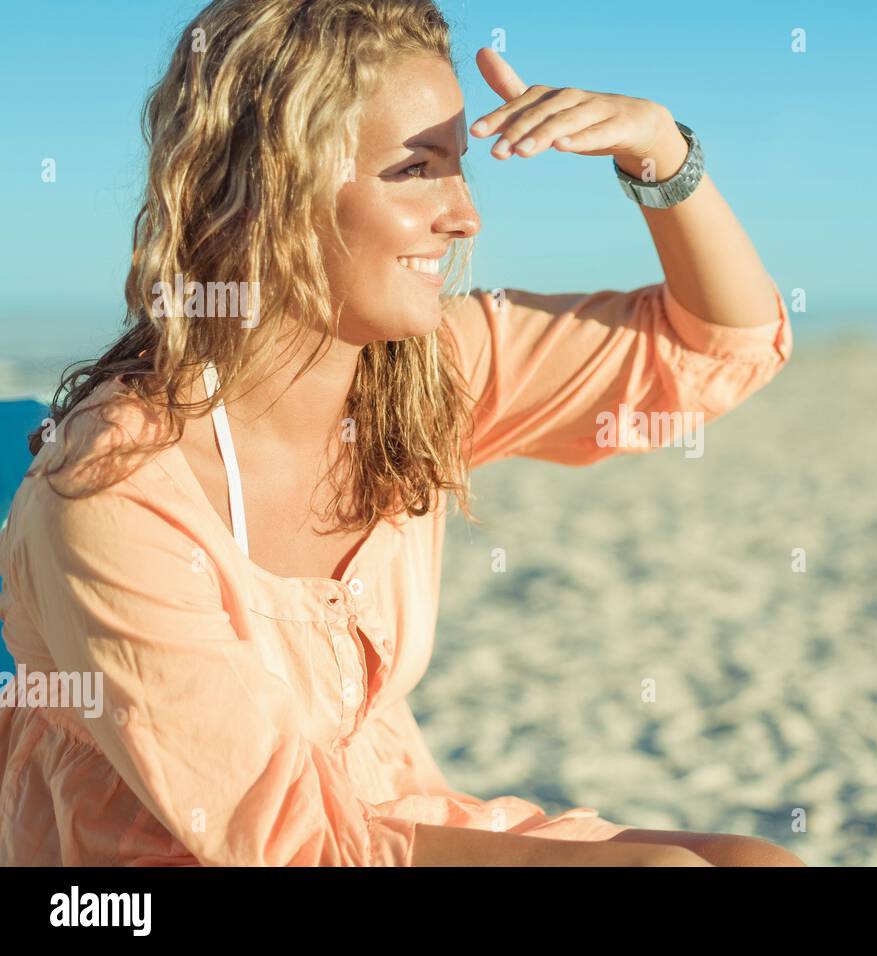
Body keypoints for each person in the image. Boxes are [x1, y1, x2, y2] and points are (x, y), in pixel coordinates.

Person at [0, 0, 799, 867]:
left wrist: (661, 153)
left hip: (376, 813)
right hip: (176, 856)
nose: (465, 216)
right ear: (279, 185)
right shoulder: (116, 484)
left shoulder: (419, 370)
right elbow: (285, 842)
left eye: (459, 169)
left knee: (759, 861)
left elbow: (719, 347)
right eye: (416, 170)